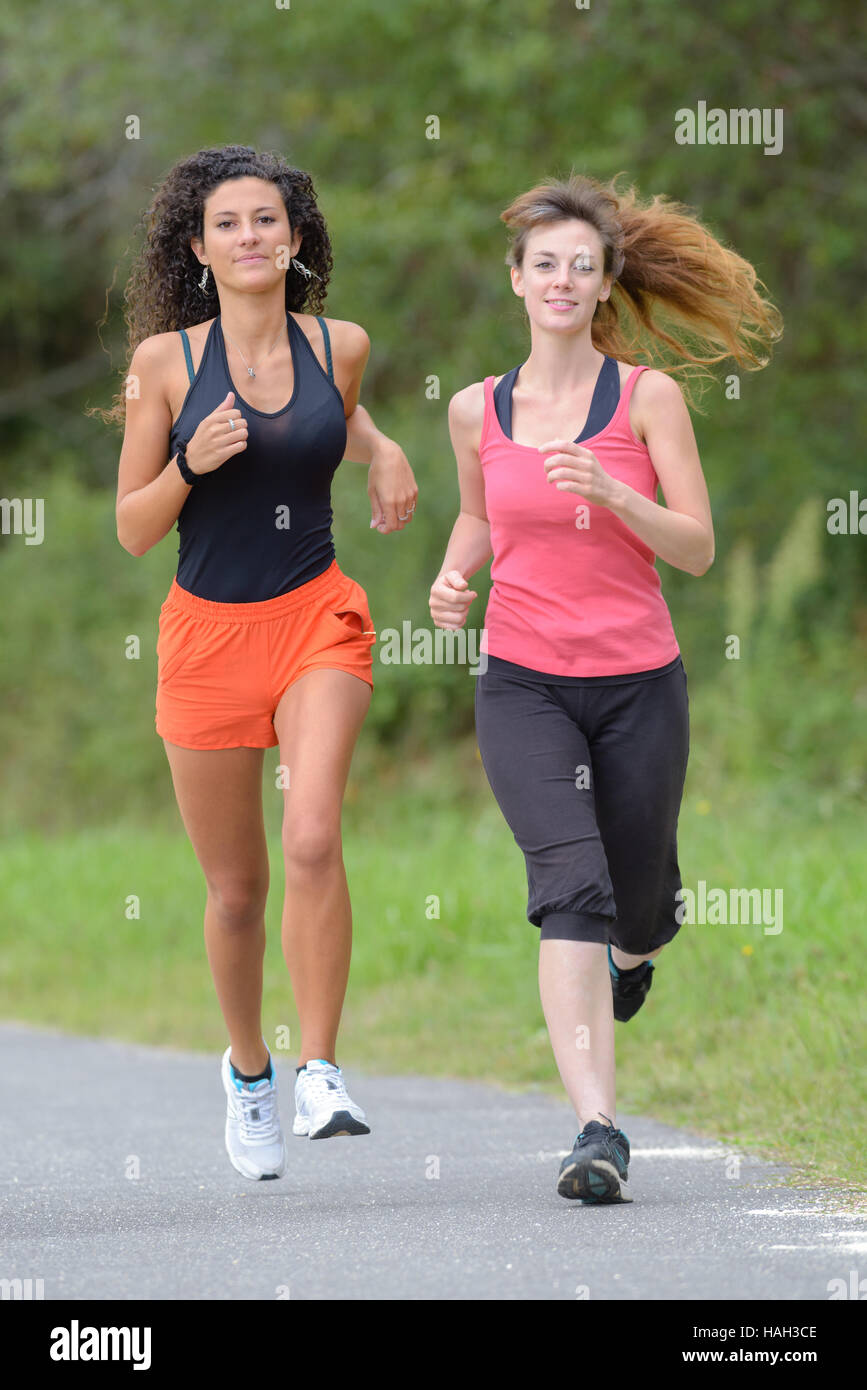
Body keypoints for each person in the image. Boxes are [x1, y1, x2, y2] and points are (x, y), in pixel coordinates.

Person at [429, 173, 782, 1204]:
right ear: (517, 280)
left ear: (604, 282)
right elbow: (482, 518)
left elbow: (701, 548)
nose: (563, 279)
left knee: (638, 898)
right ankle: (596, 1129)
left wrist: (616, 491)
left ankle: (638, 948)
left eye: (582, 265)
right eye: (545, 263)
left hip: (639, 683)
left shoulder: (647, 398)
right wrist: (455, 578)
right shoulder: (474, 409)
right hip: (525, 684)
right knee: (568, 886)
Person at [106, 145, 417, 1179]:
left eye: (268, 220)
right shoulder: (164, 365)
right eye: (229, 223)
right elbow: (132, 529)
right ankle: (249, 1070)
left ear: (295, 237)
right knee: (235, 891)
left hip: (315, 615)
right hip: (205, 635)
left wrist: (391, 450)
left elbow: (334, 414)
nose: (251, 237)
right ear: (198, 247)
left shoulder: (342, 345)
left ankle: (319, 1067)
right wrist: (190, 464)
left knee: (315, 832)